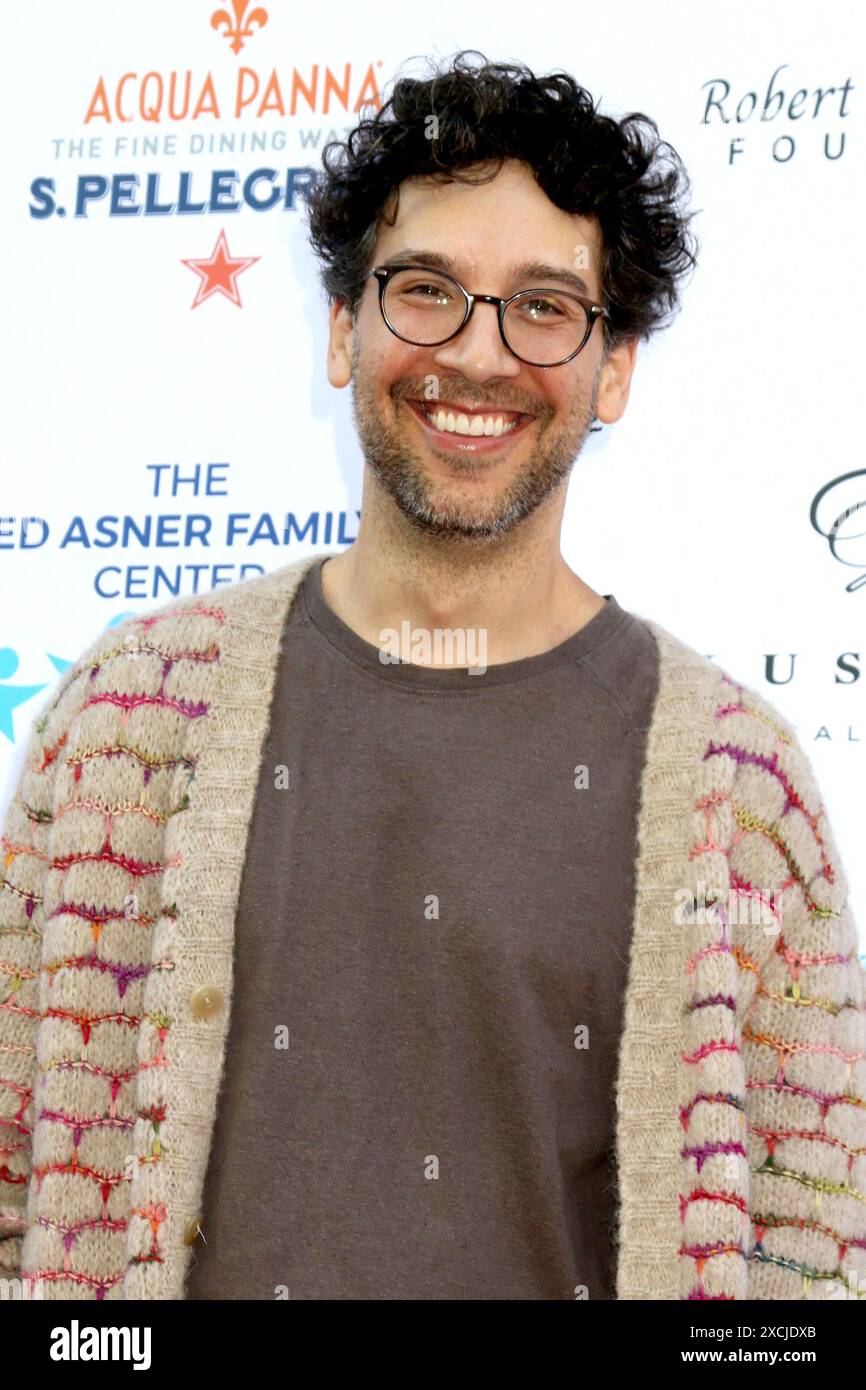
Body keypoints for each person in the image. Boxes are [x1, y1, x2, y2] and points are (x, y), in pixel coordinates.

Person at [2, 51, 863, 1303]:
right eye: (426, 291)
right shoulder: (129, 722)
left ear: (612, 366)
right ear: (344, 327)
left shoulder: (738, 790)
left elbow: (808, 1254)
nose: (478, 354)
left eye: (543, 306)